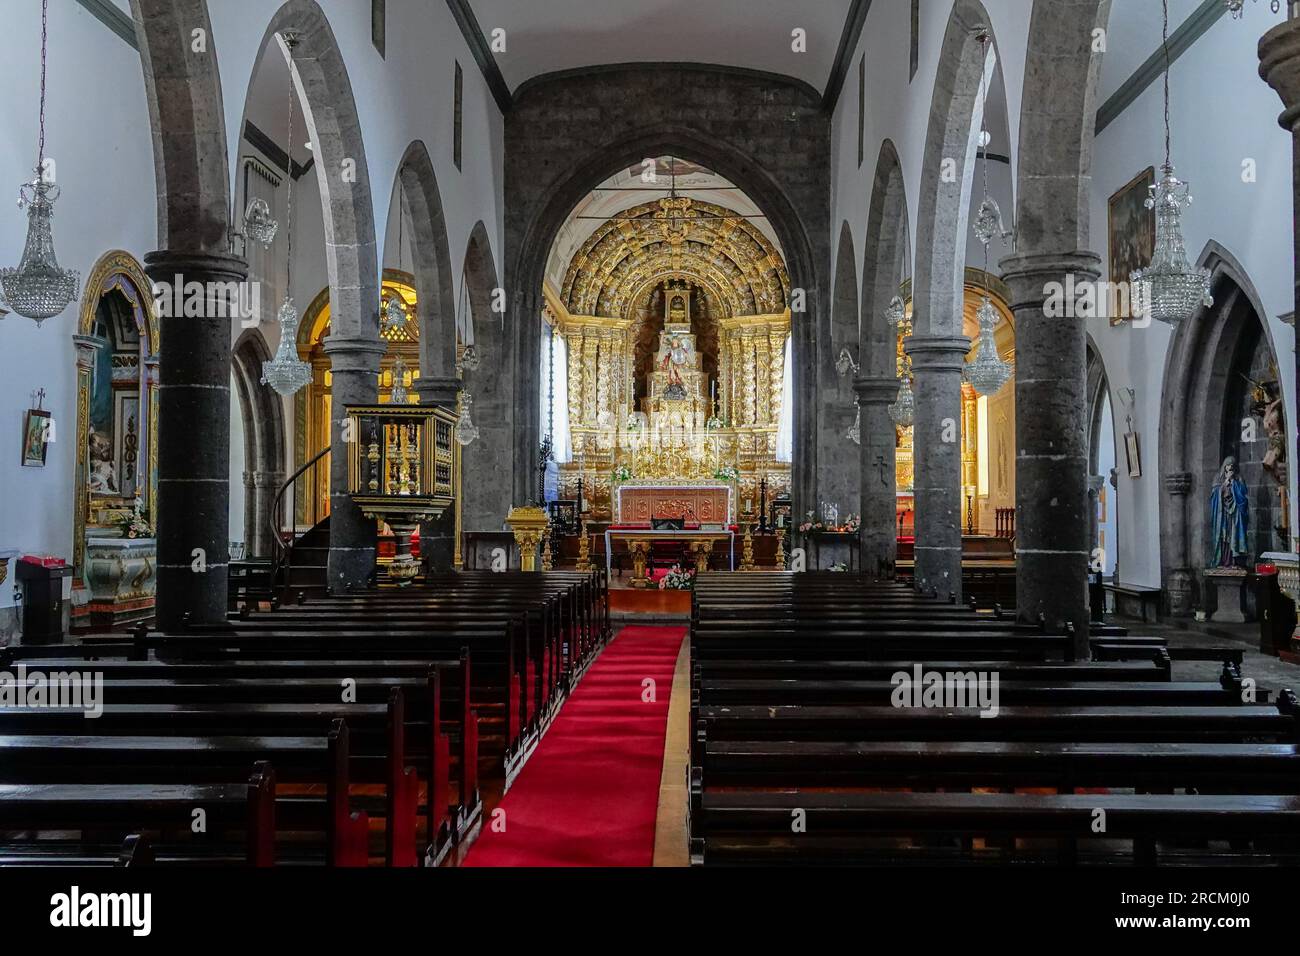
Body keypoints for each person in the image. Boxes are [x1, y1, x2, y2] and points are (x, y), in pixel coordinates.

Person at [1208, 455, 1249, 568]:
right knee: (1224, 537)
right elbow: (1214, 496)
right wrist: (1225, 483)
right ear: (1224, 467)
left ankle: (1235, 561)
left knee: (1233, 536)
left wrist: (1233, 483)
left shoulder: (1239, 479)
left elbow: (1243, 498)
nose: (1230, 468)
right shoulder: (1218, 478)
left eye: (1232, 466)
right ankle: (1224, 560)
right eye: (1228, 466)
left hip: (1235, 514)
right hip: (1223, 514)